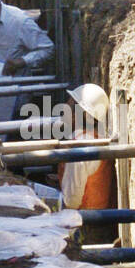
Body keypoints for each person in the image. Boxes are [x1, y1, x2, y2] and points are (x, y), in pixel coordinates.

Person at [58, 83, 117, 211]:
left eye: (70, 104)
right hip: (98, 219)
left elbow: (71, 201)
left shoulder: (80, 147)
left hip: (87, 222)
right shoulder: (94, 138)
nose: (65, 108)